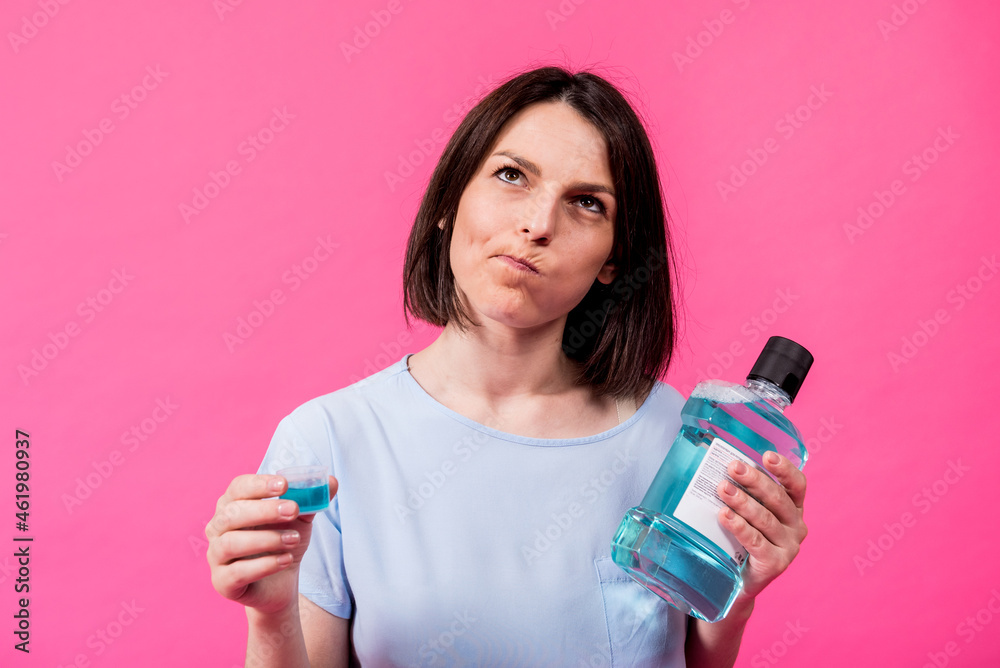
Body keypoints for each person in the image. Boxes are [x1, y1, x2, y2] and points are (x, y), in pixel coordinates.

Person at [205, 66, 808, 667]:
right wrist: (273, 616)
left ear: (614, 260)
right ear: (449, 202)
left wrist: (739, 594)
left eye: (586, 203)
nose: (538, 225)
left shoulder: (680, 438)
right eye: (512, 175)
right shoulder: (328, 441)